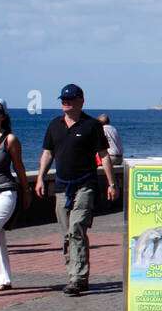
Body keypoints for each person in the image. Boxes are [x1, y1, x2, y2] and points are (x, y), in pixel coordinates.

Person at [35, 84, 117, 296]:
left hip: (86, 184)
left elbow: (104, 155)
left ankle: (78, 278)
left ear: (81, 101)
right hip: (62, 186)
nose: (66, 102)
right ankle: (73, 272)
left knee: (77, 227)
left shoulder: (91, 125)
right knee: (66, 234)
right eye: (63, 99)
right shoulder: (54, 125)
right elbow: (48, 153)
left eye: (70, 99)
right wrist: (41, 178)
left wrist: (111, 183)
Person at [0, 99, 29, 292]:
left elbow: (19, 167)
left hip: (4, 192)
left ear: (3, 115)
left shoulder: (9, 139)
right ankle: (2, 278)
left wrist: (26, 191)